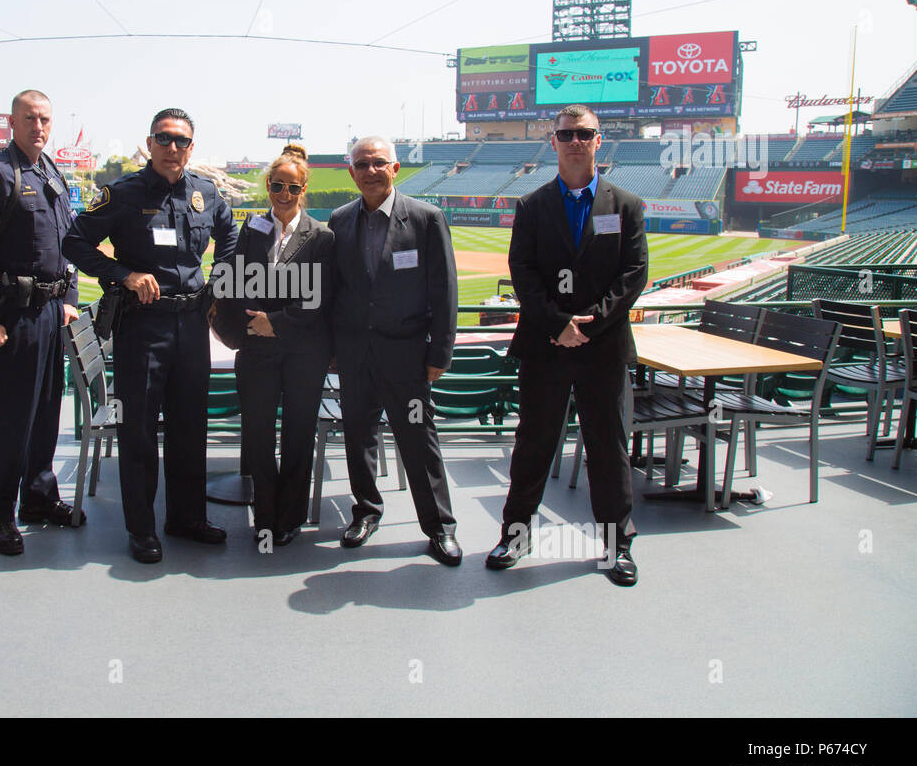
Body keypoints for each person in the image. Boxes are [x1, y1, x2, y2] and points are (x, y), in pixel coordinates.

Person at [62, 108, 237, 563]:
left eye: (181, 140)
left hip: (193, 324)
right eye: (164, 139)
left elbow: (229, 233)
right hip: (143, 325)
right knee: (138, 428)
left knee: (189, 424)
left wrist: (219, 283)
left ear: (191, 147)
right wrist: (123, 275)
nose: (172, 148)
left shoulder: (205, 191)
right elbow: (74, 242)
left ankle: (186, 517)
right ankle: (141, 529)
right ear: (150, 142)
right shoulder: (122, 194)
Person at [486, 103, 648, 586]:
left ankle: (618, 546)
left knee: (608, 447)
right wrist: (557, 324)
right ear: (552, 142)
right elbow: (524, 274)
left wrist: (591, 323)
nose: (576, 141)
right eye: (567, 134)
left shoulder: (627, 205)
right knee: (532, 444)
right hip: (545, 345)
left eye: (585, 133)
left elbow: (634, 275)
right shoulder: (532, 206)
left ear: (600, 140)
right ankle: (514, 537)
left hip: (603, 348)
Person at [0, 90, 81, 558]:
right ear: (12, 121)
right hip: (14, 315)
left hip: (50, 313)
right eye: (29, 118)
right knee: (12, 419)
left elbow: (68, 244)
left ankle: (39, 498)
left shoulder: (52, 172)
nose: (39, 126)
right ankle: (2, 514)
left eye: (45, 119)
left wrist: (68, 299)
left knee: (48, 410)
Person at [328, 136, 461, 566]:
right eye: (362, 164)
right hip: (354, 355)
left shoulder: (426, 218)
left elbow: (444, 291)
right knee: (358, 438)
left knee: (419, 441)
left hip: (407, 356)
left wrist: (439, 352)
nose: (370, 171)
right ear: (351, 172)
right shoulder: (339, 219)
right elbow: (336, 292)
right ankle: (366, 511)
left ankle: (439, 527)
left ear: (395, 168)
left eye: (378, 163)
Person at [219, 144, 334, 547]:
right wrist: (243, 334)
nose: (284, 195)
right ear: (268, 186)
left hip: (304, 352)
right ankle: (265, 517)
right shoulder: (252, 229)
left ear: (304, 191)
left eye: (293, 188)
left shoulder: (322, 236)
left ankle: (289, 518)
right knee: (259, 435)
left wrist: (276, 323)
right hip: (257, 351)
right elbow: (231, 283)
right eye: (277, 186)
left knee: (299, 435)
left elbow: (320, 298)